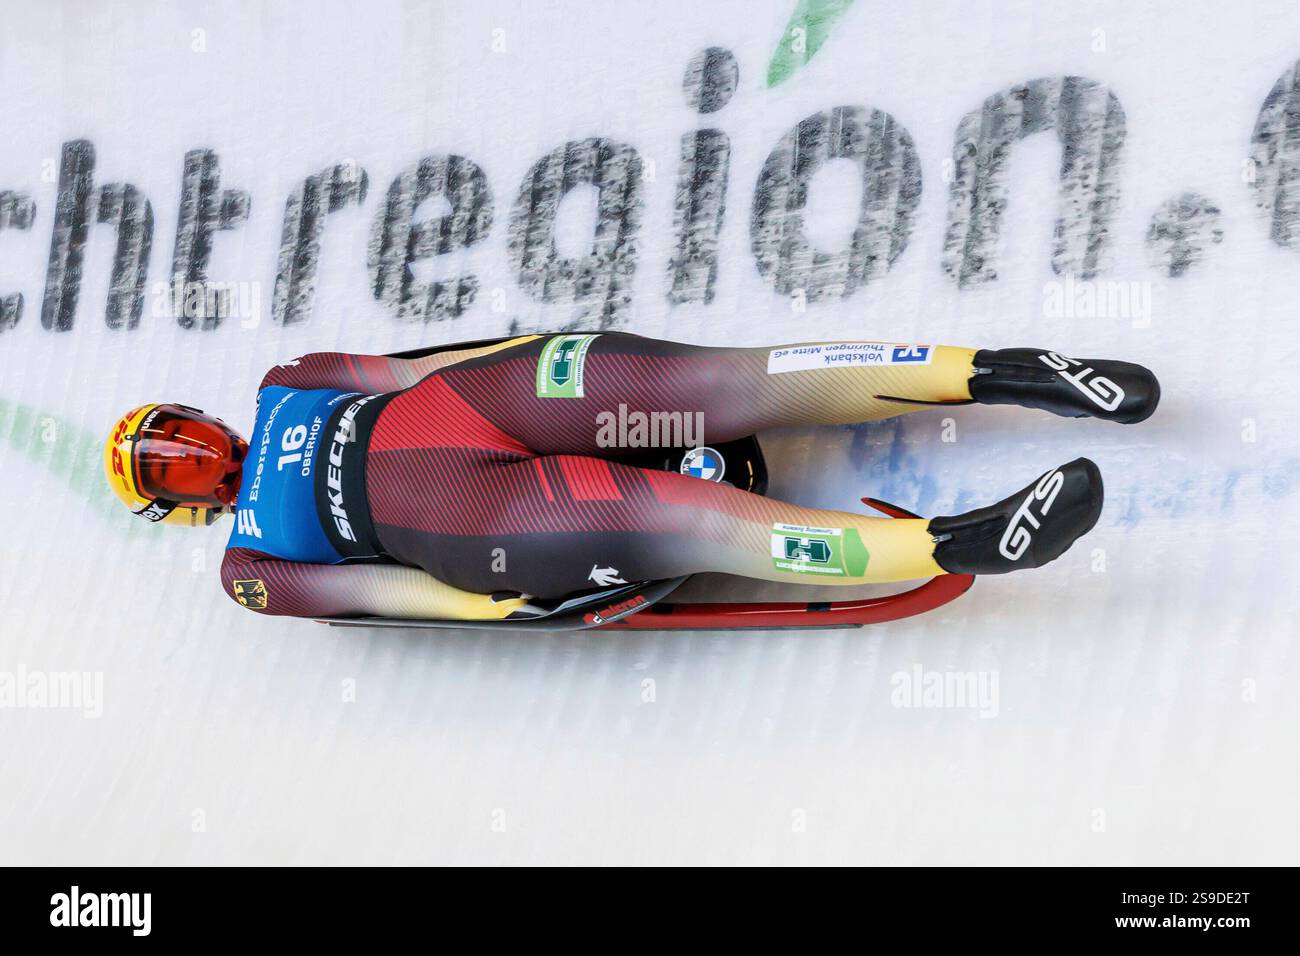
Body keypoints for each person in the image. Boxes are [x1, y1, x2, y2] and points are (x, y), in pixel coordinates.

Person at [103, 333, 1159, 620]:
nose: (200, 460)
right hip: (471, 519)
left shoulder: (288, 381)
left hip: (484, 400)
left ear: (200, 415)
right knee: (692, 517)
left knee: (721, 381)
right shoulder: (250, 568)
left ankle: (1008, 371)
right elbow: (387, 595)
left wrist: (547, 347)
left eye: (181, 434)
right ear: (180, 509)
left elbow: (419, 365)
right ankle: (960, 541)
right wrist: (518, 609)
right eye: (177, 471)